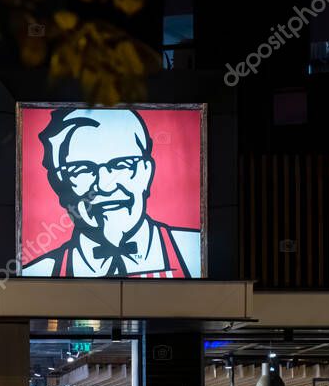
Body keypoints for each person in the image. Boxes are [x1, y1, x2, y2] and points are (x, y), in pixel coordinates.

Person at [22, 108, 201, 278]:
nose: (105, 186)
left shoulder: (194, 252)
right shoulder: (39, 272)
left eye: (122, 165)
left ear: (146, 172)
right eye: (82, 169)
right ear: (58, 183)